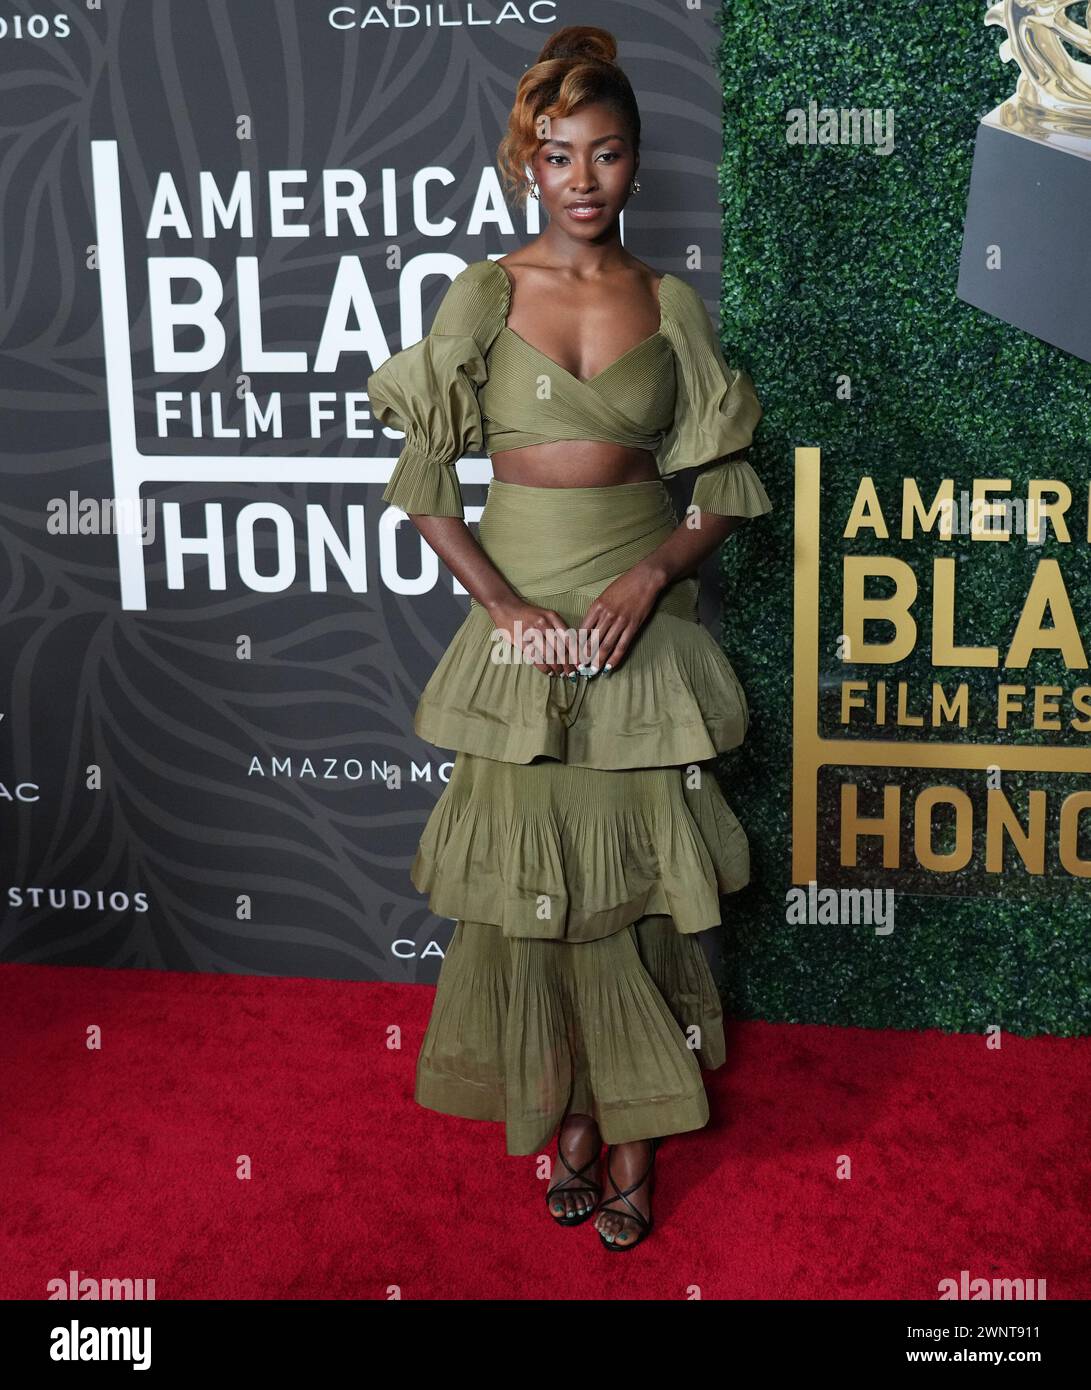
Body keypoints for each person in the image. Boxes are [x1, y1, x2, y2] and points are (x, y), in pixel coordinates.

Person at [366, 24, 772, 1251]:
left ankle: (633, 1139)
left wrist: (650, 574)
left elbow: (720, 494)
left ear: (636, 163)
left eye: (604, 153)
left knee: (637, 890)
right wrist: (504, 609)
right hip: (520, 636)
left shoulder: (670, 302)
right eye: (558, 155)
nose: (582, 177)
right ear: (527, 166)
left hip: (638, 634)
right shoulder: (482, 294)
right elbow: (425, 482)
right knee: (535, 897)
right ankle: (569, 1118)